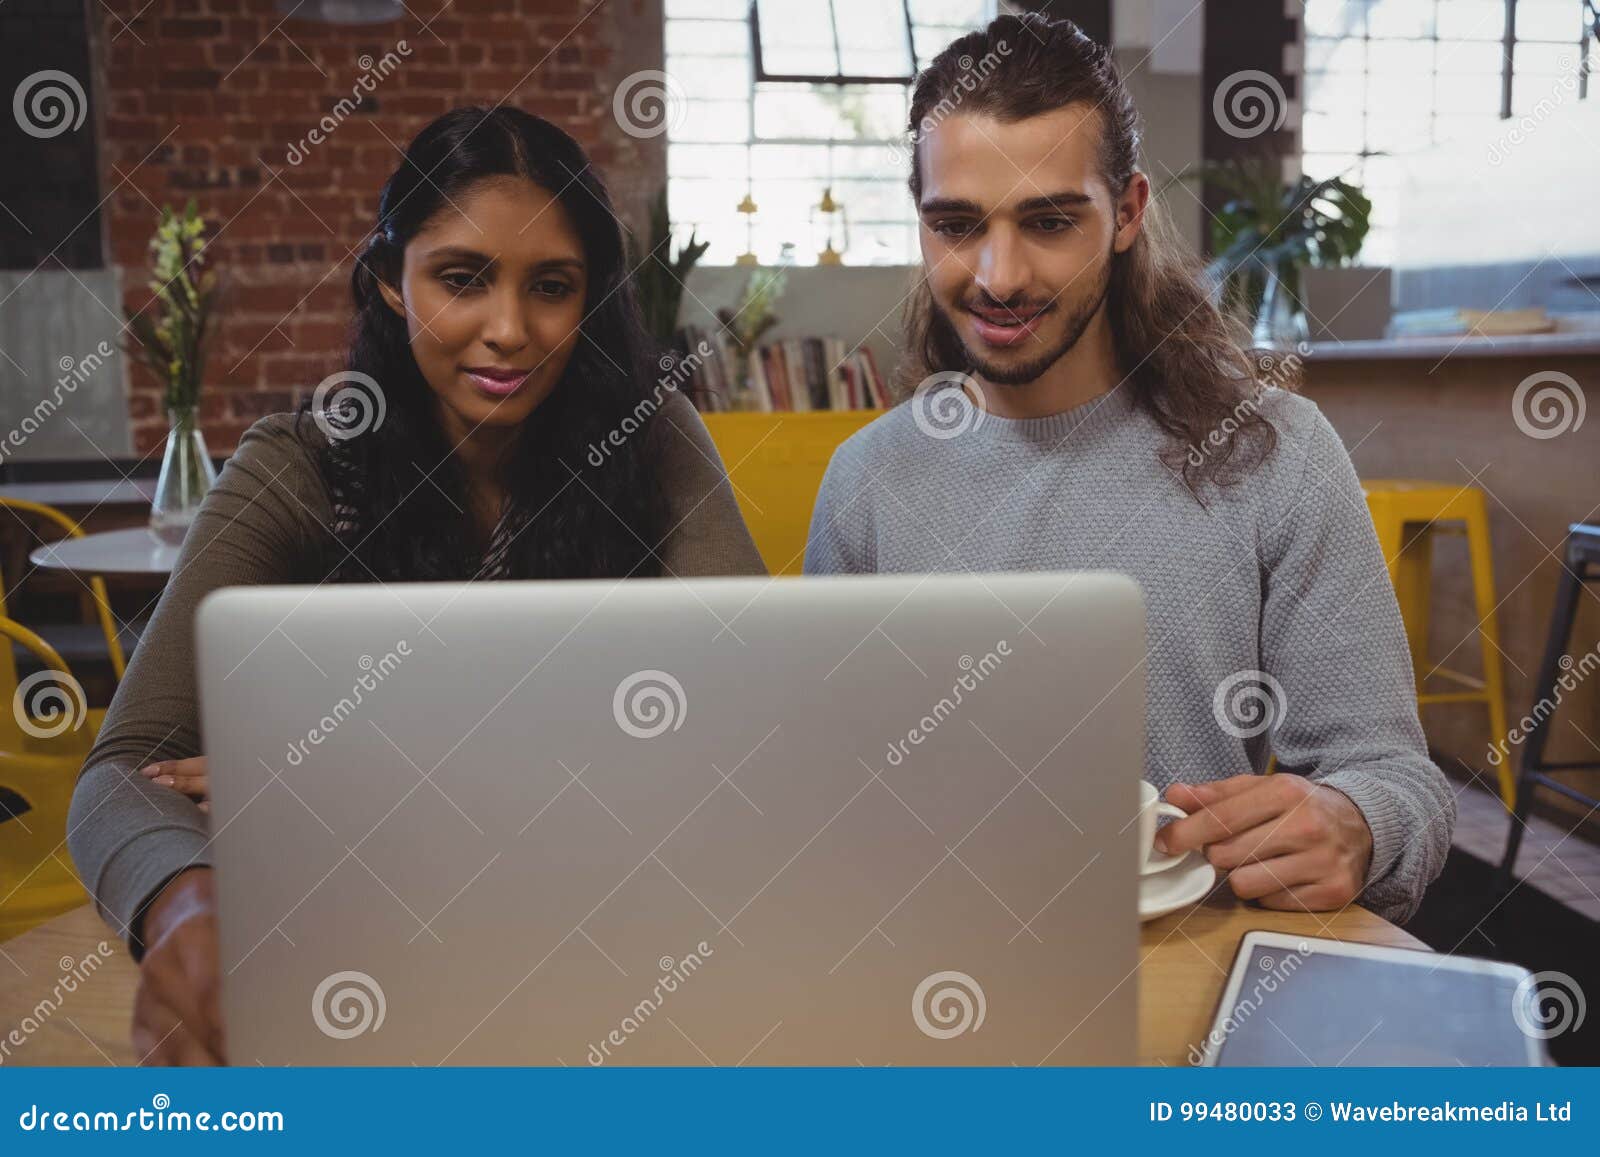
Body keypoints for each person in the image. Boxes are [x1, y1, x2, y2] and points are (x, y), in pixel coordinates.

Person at [67, 107, 764, 1065]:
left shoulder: (655, 438)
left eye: (552, 287)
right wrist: (188, 903)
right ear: (392, 284)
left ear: (592, 298)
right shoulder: (303, 464)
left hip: (609, 966)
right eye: (461, 278)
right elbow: (121, 775)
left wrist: (328, 772)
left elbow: (744, 723)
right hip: (365, 975)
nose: (508, 332)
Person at [804, 14, 1454, 925]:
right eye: (957, 225)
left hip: (1195, 982)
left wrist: (1357, 821)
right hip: (942, 973)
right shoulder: (866, 483)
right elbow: (825, 797)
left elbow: (1399, 784)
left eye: (1049, 221)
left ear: (1129, 213)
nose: (999, 275)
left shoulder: (1275, 454)